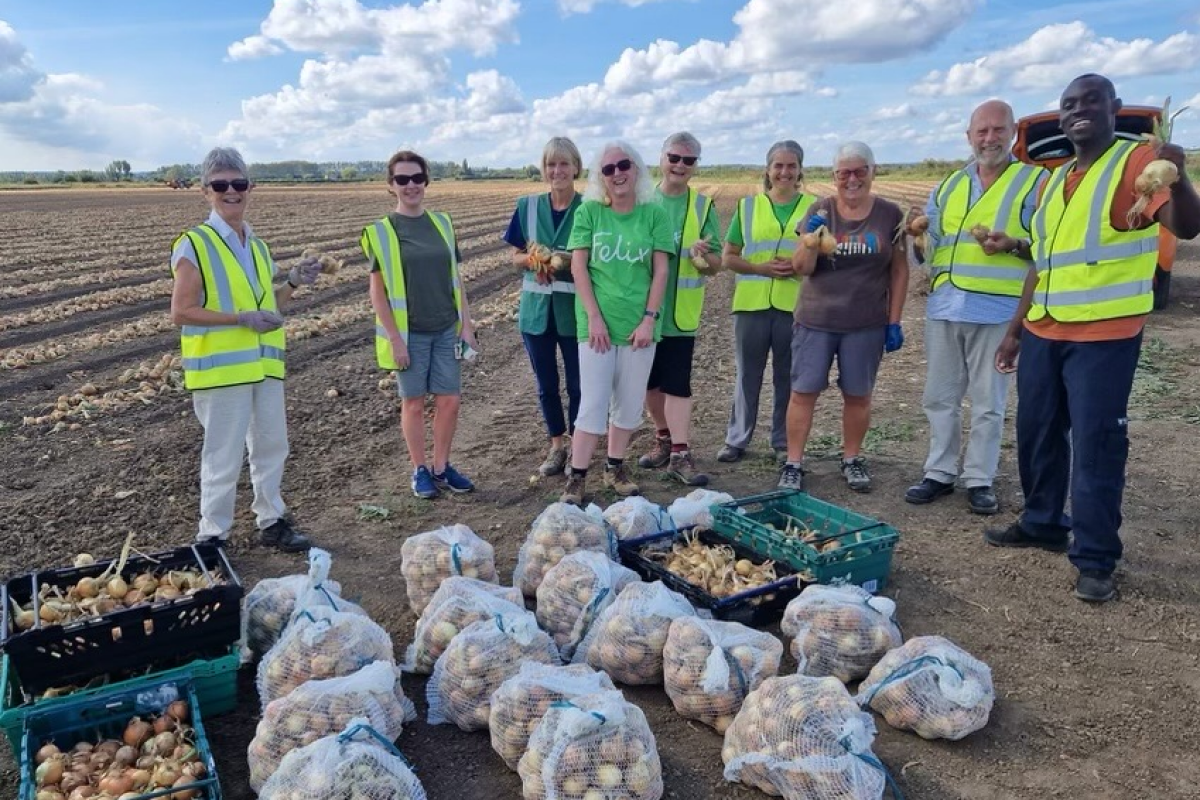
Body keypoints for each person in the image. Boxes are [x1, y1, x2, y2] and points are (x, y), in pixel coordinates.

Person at [988, 74, 1200, 602]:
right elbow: (1043, 260)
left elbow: (1188, 226)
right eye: (1068, 104)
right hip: (1043, 329)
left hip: (1105, 337)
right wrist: (1015, 331)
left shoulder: (1134, 164)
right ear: (1061, 119)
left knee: (1097, 445)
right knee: (1037, 433)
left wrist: (1181, 174)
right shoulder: (1055, 180)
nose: (1078, 110)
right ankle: (1042, 522)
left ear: (1114, 108)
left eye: (1090, 101)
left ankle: (1096, 556)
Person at [169, 146, 319, 552]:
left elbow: (266, 306)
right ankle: (212, 536)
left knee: (272, 446)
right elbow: (181, 312)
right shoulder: (193, 245)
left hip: (263, 365)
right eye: (221, 184)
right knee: (223, 456)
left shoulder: (257, 245)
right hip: (221, 371)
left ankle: (271, 521)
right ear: (205, 191)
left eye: (238, 183)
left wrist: (291, 283)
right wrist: (240, 319)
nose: (231, 191)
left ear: (250, 187)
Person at [904, 100, 1047, 515]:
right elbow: (929, 249)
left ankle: (980, 479)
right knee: (940, 397)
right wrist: (916, 231)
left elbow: (1052, 245)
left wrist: (1015, 245)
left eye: (998, 130)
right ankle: (940, 471)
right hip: (946, 307)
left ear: (1014, 133)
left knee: (989, 401)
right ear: (968, 136)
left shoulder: (1036, 183)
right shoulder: (948, 186)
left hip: (999, 311)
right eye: (981, 131)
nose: (989, 139)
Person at [784, 141, 909, 493]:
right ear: (834, 176)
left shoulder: (889, 214)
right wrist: (810, 240)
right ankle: (793, 463)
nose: (851, 179)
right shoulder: (819, 209)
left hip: (865, 323)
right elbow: (801, 268)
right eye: (844, 173)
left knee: (858, 395)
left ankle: (851, 458)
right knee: (803, 392)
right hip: (815, 320)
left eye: (859, 171)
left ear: (873, 172)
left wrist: (894, 320)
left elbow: (899, 271)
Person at [559, 140, 672, 504]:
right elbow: (578, 267)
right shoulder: (589, 213)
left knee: (627, 402)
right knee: (591, 402)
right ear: (600, 179)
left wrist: (648, 320)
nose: (617, 174)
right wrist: (594, 318)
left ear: (636, 170)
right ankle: (577, 477)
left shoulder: (654, 214)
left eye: (623, 165)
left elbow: (660, 272)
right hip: (595, 327)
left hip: (639, 327)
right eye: (608, 169)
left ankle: (614, 467)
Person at [362, 150, 479, 499]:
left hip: (446, 327)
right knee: (413, 403)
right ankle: (420, 470)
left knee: (450, 401)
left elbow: (456, 279)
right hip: (409, 333)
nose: (410, 185)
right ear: (391, 185)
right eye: (402, 179)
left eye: (417, 178)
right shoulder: (381, 232)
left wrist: (467, 324)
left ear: (426, 181)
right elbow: (378, 293)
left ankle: (442, 467)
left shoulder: (443, 223)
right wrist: (395, 339)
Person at [718, 140, 815, 464]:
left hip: (796, 306)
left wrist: (798, 266)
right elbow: (729, 257)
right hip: (751, 305)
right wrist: (760, 268)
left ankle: (783, 441)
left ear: (800, 170)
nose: (785, 172)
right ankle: (737, 439)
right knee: (748, 374)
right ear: (768, 170)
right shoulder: (748, 208)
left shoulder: (816, 208)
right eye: (779, 166)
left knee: (789, 377)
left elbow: (825, 255)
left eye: (791, 166)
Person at [637, 132, 722, 486]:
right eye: (675, 157)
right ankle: (663, 437)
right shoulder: (641, 203)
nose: (680, 166)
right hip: (641, 314)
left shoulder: (702, 207)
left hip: (678, 315)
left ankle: (681, 453)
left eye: (689, 160)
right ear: (661, 159)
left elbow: (717, 263)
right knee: (649, 384)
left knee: (678, 386)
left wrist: (702, 259)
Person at [503, 137, 584, 477]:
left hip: (575, 310)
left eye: (564, 164)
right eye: (551, 164)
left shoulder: (590, 208)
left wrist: (565, 261)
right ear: (544, 169)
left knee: (580, 385)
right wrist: (533, 260)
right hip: (536, 311)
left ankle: (580, 446)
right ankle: (557, 446)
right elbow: (515, 258)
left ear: (576, 167)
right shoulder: (528, 206)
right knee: (546, 385)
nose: (557, 170)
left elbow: (594, 260)